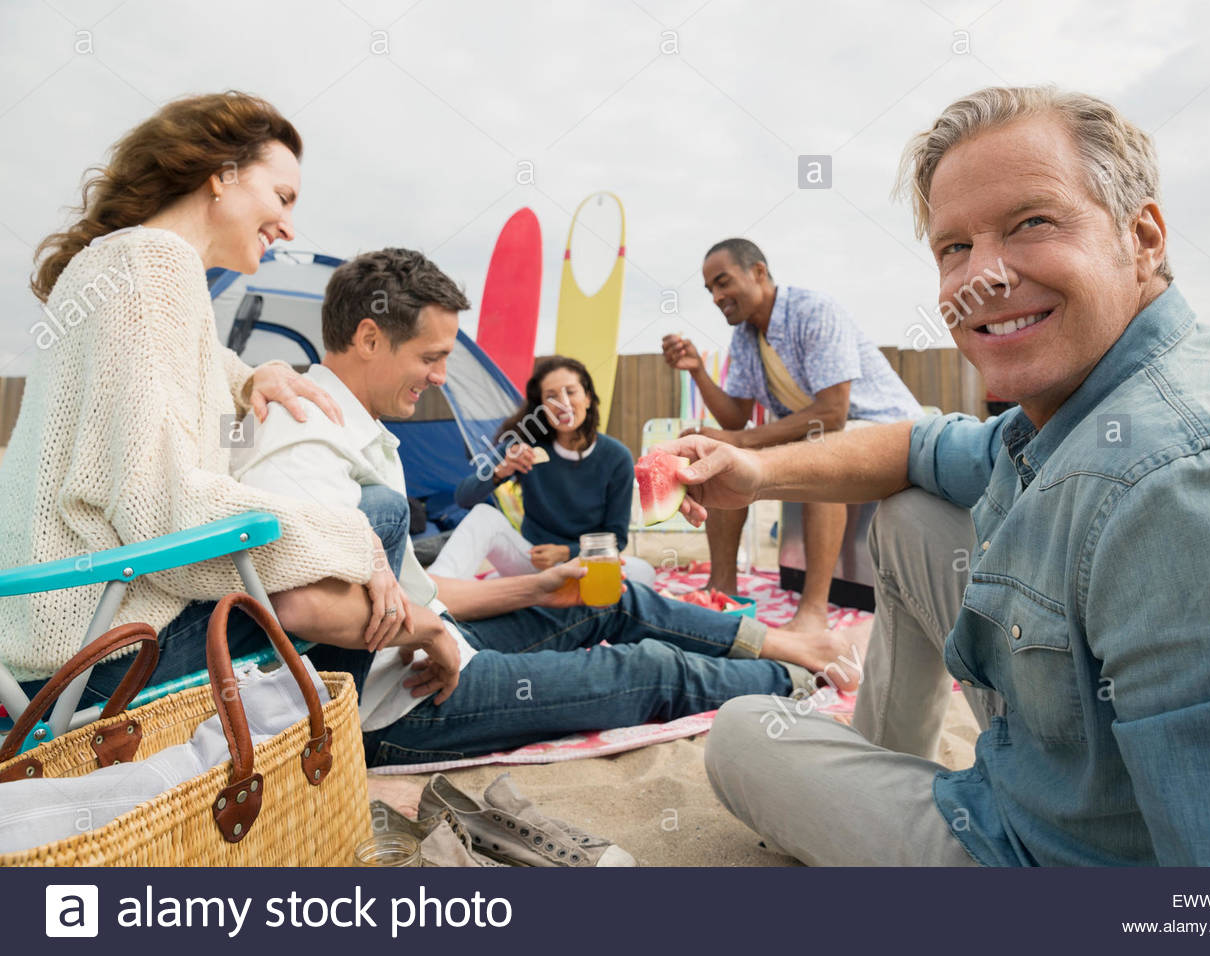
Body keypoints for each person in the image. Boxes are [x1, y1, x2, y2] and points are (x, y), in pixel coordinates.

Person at [664, 86, 1210, 865]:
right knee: (910, 511)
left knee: (741, 736)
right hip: (1058, 756)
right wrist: (752, 469)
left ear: (1143, 236)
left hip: (1039, 853)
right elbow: (919, 447)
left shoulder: (1187, 495)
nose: (982, 279)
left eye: (1032, 223)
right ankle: (888, 749)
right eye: (954, 248)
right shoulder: (1084, 402)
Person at [230, 247, 872, 764]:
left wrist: (541, 584)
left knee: (607, 598)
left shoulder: (355, 422)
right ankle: (797, 683)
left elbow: (423, 592)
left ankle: (783, 644)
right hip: (397, 702)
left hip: (429, 650)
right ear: (369, 337)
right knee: (647, 670)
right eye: (431, 357)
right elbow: (298, 603)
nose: (441, 377)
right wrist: (429, 631)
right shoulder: (305, 429)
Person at [0, 92, 427, 707]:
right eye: (282, 197)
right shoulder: (155, 268)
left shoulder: (115, 266)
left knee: (342, 535)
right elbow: (165, 517)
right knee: (378, 512)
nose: (287, 225)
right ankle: (333, 756)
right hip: (96, 659)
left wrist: (251, 378)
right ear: (220, 178)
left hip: (32, 643)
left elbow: (168, 374)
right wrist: (357, 544)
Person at [662, 239, 919, 632]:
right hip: (827, 433)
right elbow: (736, 416)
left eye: (723, 282)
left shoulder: (813, 310)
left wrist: (742, 442)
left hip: (886, 429)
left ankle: (813, 612)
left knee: (815, 452)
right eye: (710, 289)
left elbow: (832, 413)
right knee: (721, 462)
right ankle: (722, 588)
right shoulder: (746, 337)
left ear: (759, 273)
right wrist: (697, 370)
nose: (716, 297)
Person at [435, 355, 656, 587]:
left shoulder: (617, 456)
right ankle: (436, 594)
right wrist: (503, 469)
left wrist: (564, 552)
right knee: (483, 515)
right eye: (551, 396)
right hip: (532, 561)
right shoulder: (522, 447)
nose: (562, 403)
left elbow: (616, 539)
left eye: (570, 392)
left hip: (586, 563)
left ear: (588, 398)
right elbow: (463, 497)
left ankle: (522, 590)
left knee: (644, 573)